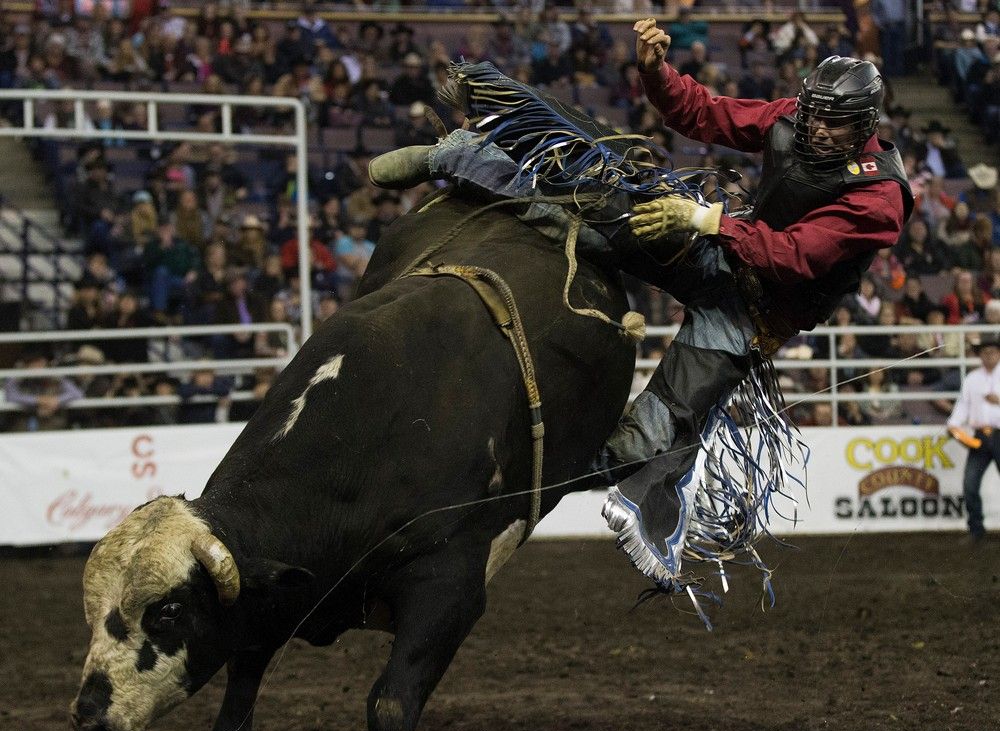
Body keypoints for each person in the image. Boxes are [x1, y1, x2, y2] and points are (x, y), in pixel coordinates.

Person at [367, 24, 912, 592]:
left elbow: (796, 256)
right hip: (721, 249)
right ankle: (462, 154)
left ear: (866, 125)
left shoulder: (879, 197)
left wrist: (706, 221)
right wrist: (656, 72)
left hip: (753, 309)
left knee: (644, 443)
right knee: (594, 195)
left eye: (834, 122)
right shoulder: (791, 120)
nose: (818, 129)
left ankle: (524, 472)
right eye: (813, 115)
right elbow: (706, 113)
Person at [947, 334, 1000, 543]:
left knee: (971, 481)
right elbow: (962, 406)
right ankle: (976, 529)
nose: (989, 356)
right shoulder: (972, 379)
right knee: (970, 483)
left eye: (993, 352)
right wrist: (953, 424)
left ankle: (976, 529)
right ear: (980, 356)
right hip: (979, 436)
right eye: (985, 352)